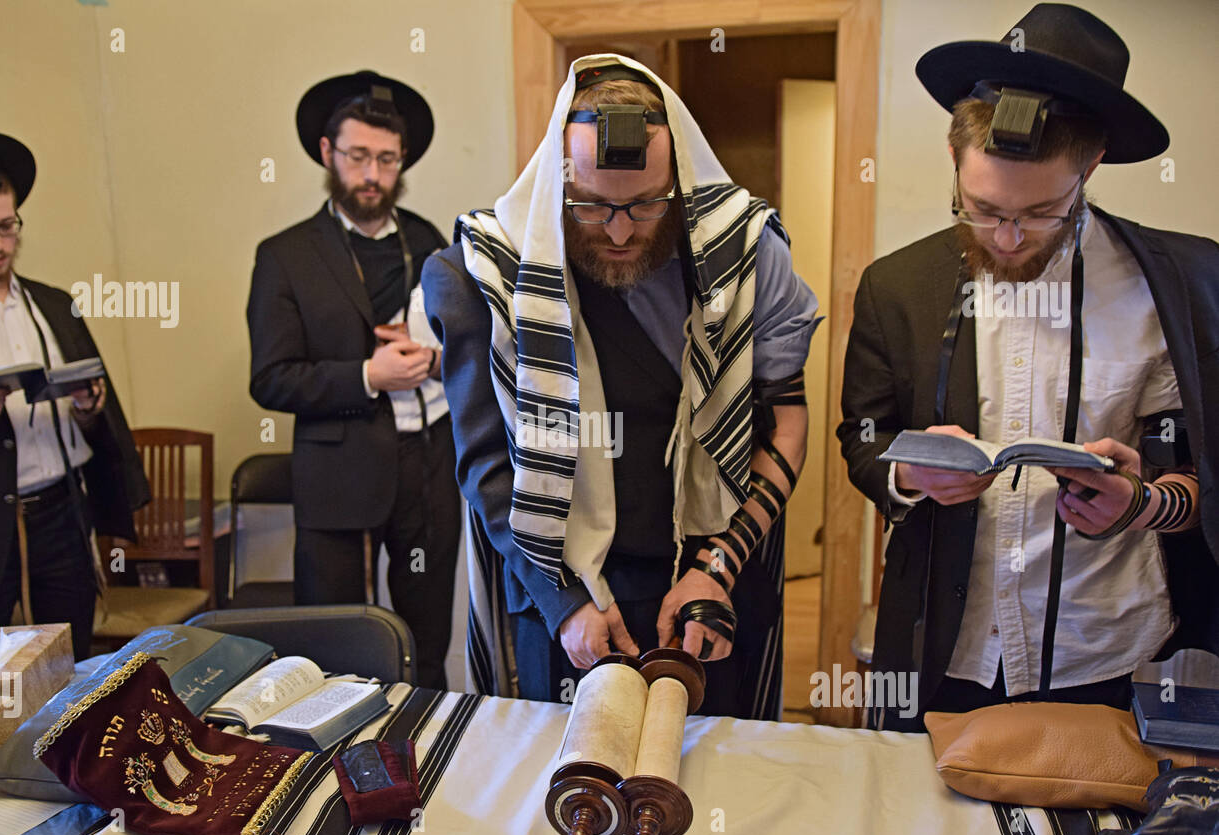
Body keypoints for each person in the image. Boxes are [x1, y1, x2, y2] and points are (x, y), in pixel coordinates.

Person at [837, 3, 1219, 731]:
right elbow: (861, 438)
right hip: (942, 646)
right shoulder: (898, 286)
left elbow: (1207, 476)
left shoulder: (1181, 285)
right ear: (955, 160)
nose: (1007, 237)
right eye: (980, 209)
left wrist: (1139, 502)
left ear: (1091, 165)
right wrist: (916, 473)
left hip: (1108, 649)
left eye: (1042, 213)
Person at [423, 55, 820, 719]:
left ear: (679, 180)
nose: (618, 231)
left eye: (644, 205)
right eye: (589, 205)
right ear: (558, 178)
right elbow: (486, 465)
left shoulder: (745, 251)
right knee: (566, 786)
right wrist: (563, 603)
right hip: (556, 586)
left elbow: (784, 418)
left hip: (709, 575)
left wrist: (716, 567)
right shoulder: (481, 272)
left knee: (721, 781)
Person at [247, 72, 459, 690]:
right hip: (338, 473)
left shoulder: (428, 240)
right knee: (336, 645)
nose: (372, 173)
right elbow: (270, 378)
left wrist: (438, 359)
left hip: (428, 464)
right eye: (359, 156)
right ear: (327, 154)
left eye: (387, 159)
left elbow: (462, 340)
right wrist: (369, 374)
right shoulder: (284, 254)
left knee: (427, 637)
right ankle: (339, 763)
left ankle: (431, 744)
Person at [0, 129, 149, 658]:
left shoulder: (54, 303)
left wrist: (90, 410)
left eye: (6, 226)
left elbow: (100, 411)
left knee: (71, 676)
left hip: (61, 520)